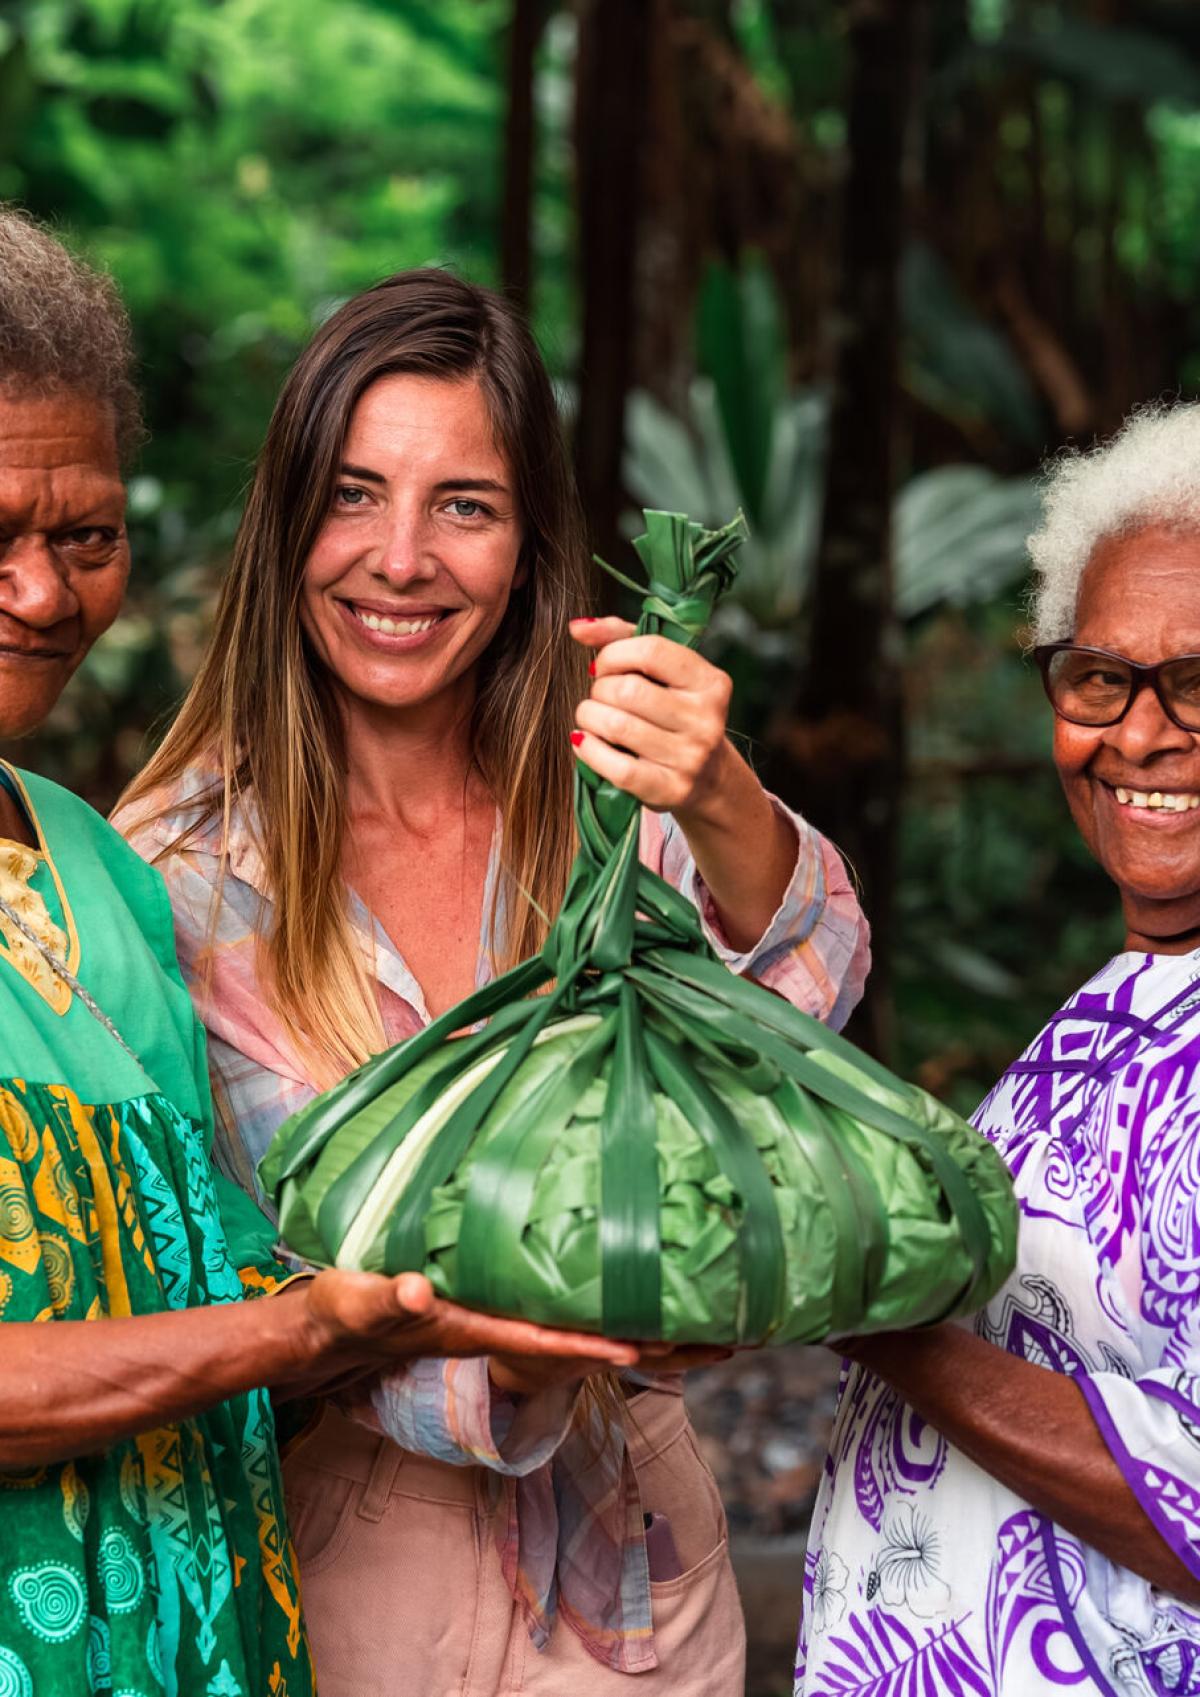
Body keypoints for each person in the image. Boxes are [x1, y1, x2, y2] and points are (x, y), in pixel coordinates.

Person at [116, 267, 871, 1694]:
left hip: (635, 1583)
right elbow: (231, 1294)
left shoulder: (608, 800)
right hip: (344, 1586)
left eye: (463, 504)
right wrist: (522, 1350)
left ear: (528, 549)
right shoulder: (176, 878)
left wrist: (719, 793)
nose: (401, 559)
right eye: (353, 494)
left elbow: (798, 1023)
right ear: (285, 525)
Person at [0, 208, 644, 1697]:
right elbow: (258, 1328)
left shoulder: (96, 873)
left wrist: (520, 1319)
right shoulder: (185, 852)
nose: (43, 592)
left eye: (86, 537)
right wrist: (296, 1330)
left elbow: (219, 1285)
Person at [797, 401, 1200, 1696]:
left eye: (1199, 682)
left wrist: (873, 1322)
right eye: (1100, 677)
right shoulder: (1126, 995)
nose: (1139, 734)